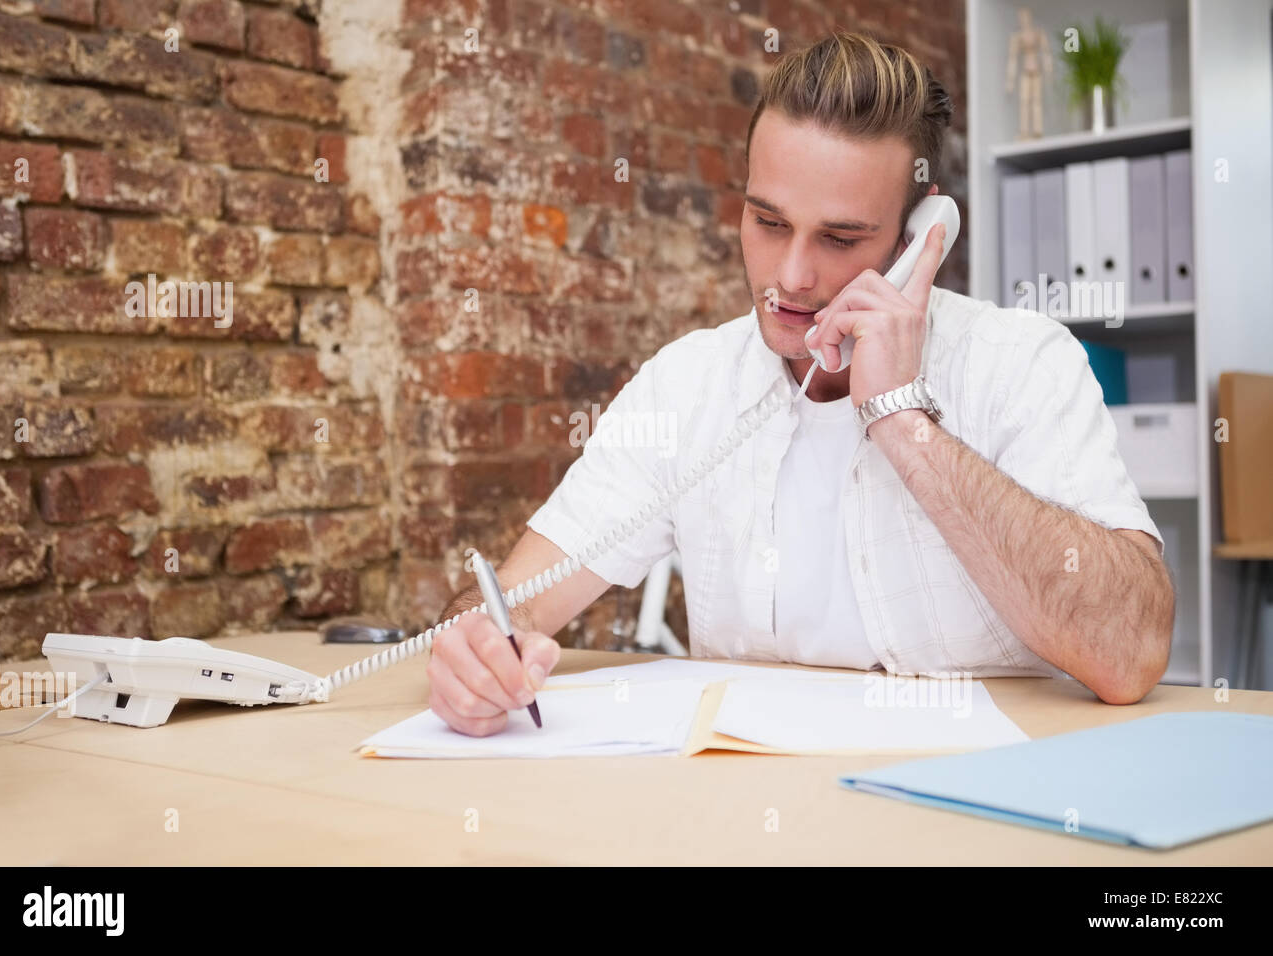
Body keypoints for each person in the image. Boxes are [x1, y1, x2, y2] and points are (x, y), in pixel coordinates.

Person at [424, 31, 1175, 737]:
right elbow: (508, 604)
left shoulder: (1022, 364)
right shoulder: (687, 386)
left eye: (841, 239)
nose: (790, 277)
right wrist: (476, 651)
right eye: (768, 222)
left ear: (923, 236)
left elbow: (1131, 652)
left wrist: (901, 416)